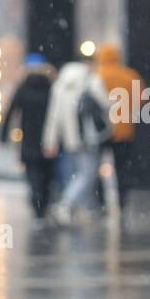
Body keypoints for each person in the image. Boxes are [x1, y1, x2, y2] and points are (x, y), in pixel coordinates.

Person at [41, 58, 109, 226]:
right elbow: (106, 103)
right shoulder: (92, 80)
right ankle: (66, 204)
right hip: (88, 136)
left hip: (70, 138)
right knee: (88, 173)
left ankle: (78, 208)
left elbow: (53, 117)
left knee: (76, 173)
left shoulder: (59, 85)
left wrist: (50, 141)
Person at [0, 54, 57, 223]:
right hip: (48, 138)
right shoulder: (52, 87)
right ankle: (43, 204)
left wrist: (3, 135)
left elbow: (11, 111)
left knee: (33, 174)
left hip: (29, 139)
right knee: (47, 174)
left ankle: (37, 203)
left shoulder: (23, 88)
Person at [91, 43, 144, 220]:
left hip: (102, 130)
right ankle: (122, 202)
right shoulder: (130, 76)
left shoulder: (97, 76)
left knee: (97, 167)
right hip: (125, 129)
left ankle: (101, 203)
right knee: (122, 168)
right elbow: (142, 100)